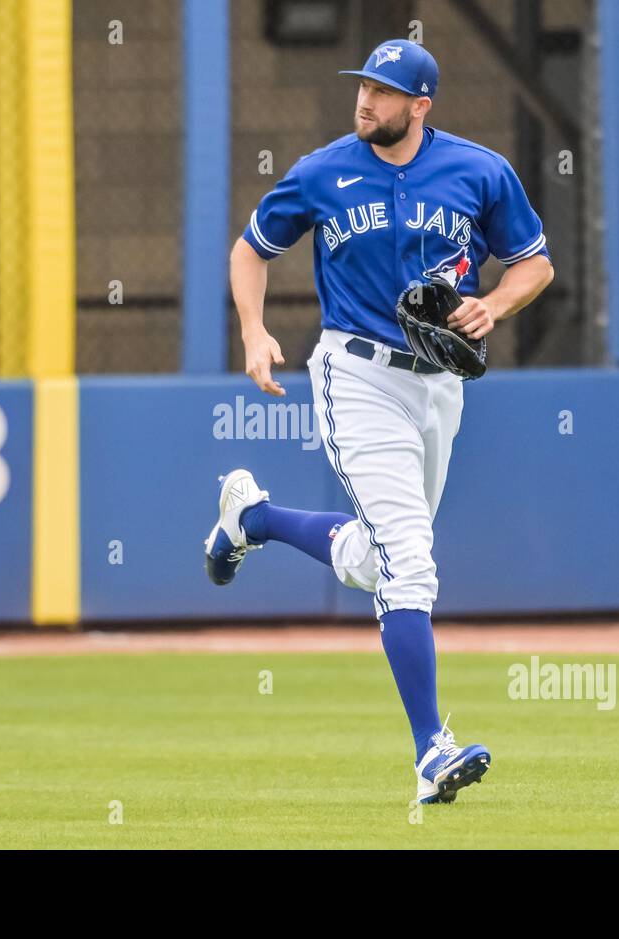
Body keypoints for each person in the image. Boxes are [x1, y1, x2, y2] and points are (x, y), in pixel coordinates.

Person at [205, 40, 554, 804]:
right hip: (355, 372)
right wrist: (253, 330)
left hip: (439, 387)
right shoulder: (324, 171)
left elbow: (534, 263)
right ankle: (432, 750)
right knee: (412, 563)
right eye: (362, 86)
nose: (365, 101)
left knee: (375, 558)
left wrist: (493, 303)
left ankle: (251, 517)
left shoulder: (479, 171)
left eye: (383, 91)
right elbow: (248, 249)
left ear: (419, 105)